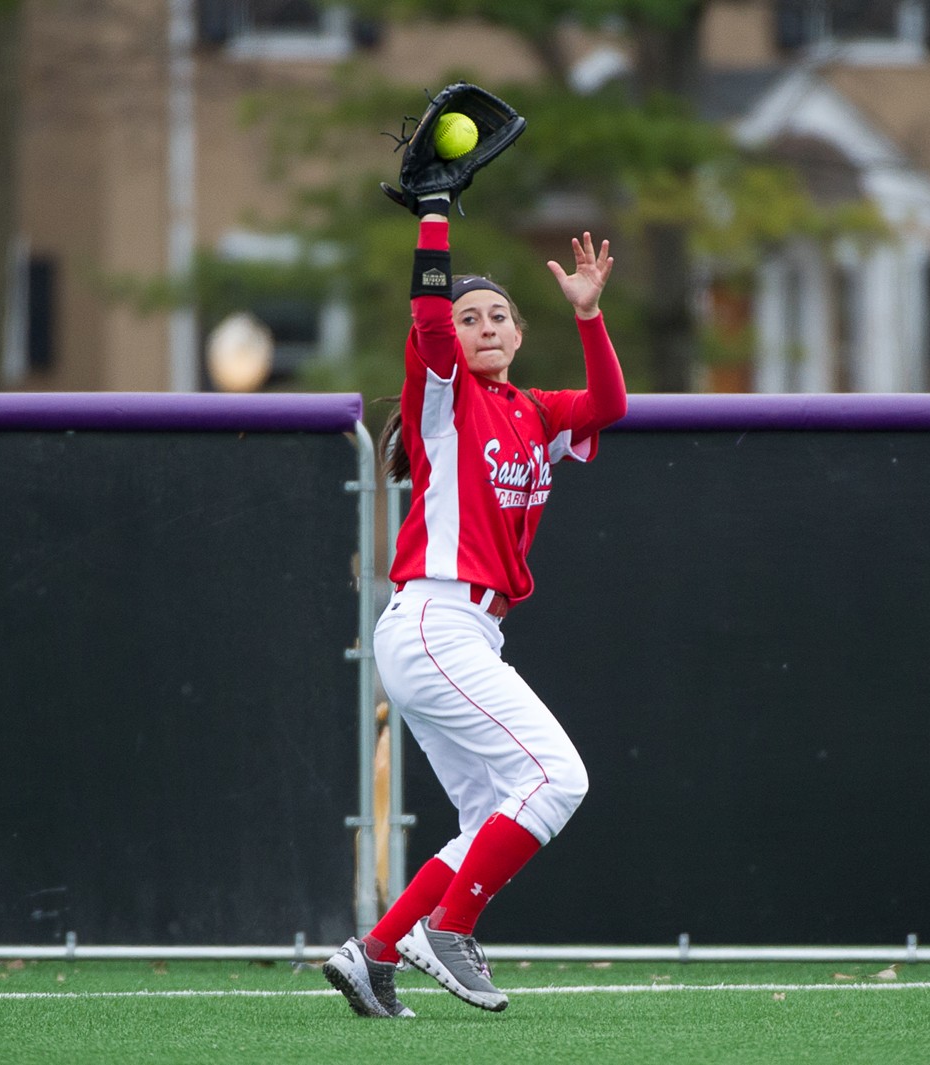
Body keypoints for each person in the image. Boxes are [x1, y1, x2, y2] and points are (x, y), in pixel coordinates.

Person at [322, 188, 629, 1017]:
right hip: (436, 620)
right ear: (451, 342)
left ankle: (376, 950)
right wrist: (431, 216)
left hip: (465, 634)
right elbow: (426, 319)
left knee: (491, 815)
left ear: (521, 333)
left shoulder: (535, 412)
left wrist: (590, 316)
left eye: (499, 315)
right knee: (558, 778)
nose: (486, 324)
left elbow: (608, 406)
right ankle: (449, 929)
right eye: (471, 318)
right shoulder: (446, 400)